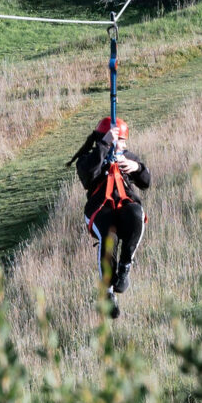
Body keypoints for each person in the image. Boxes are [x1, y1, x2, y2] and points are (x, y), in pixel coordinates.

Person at [72, 116, 150, 301]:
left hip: (125, 207)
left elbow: (146, 182)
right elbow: (88, 175)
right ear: (103, 139)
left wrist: (137, 167)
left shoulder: (128, 158)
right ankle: (107, 292)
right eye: (116, 141)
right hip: (99, 209)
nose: (120, 145)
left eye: (122, 141)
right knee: (109, 237)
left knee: (137, 214)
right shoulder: (88, 159)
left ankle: (124, 267)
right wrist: (104, 147)